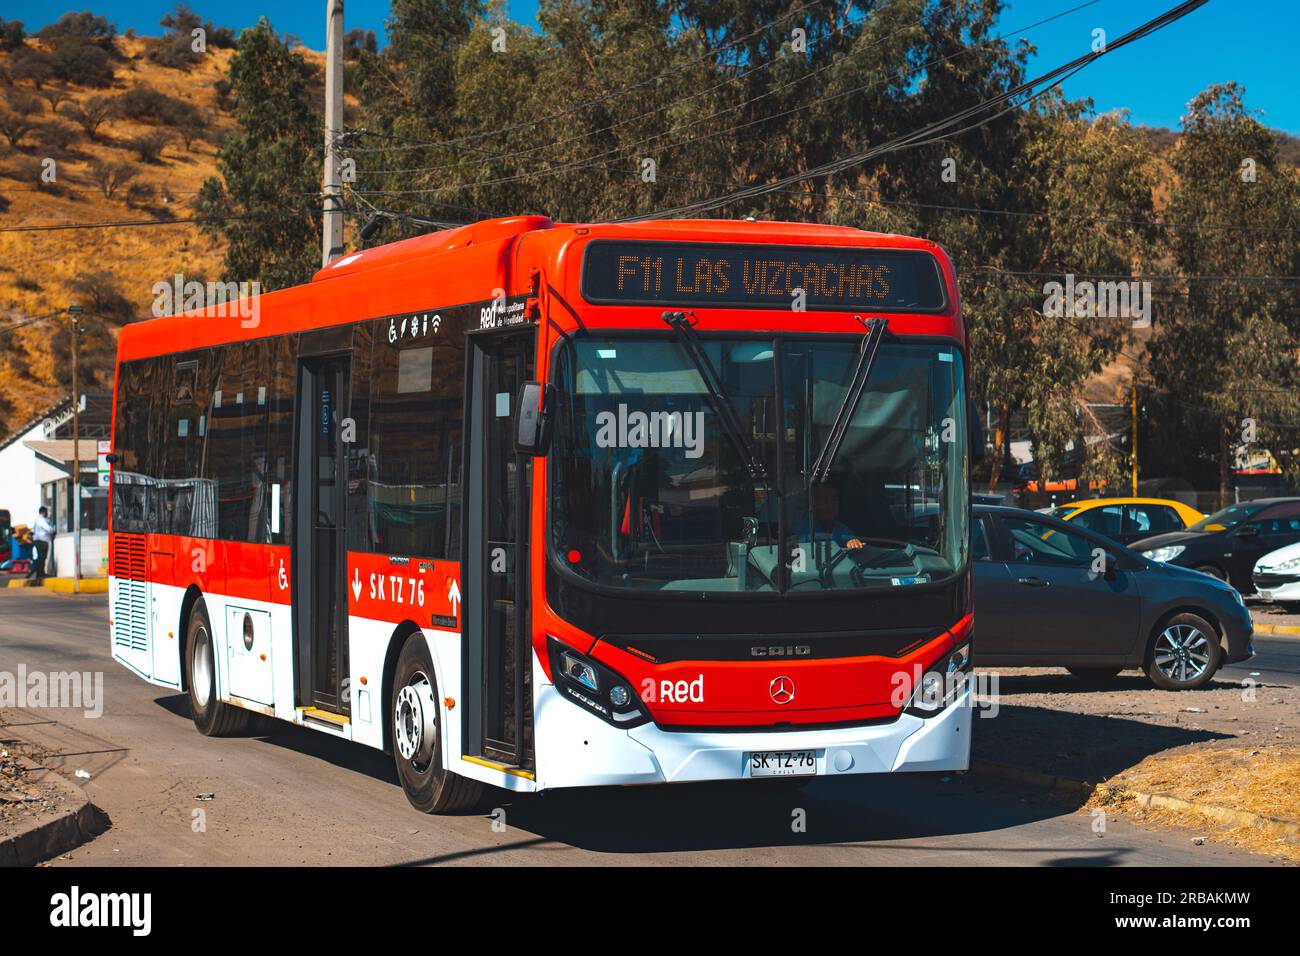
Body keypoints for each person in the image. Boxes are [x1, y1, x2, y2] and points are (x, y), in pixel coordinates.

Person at [791, 482, 864, 550]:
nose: (830, 504)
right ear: (814, 504)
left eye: (834, 499)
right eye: (824, 499)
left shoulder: (844, 530)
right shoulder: (802, 531)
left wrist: (852, 543)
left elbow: (853, 547)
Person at [28, 506, 54, 580]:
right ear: (43, 512)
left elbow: (32, 530)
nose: (47, 514)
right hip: (42, 541)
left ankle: (40, 573)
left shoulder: (37, 520)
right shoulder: (41, 520)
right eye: (46, 512)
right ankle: (40, 574)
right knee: (42, 557)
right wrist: (53, 530)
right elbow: (48, 529)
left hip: (38, 540)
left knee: (41, 557)